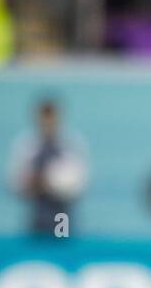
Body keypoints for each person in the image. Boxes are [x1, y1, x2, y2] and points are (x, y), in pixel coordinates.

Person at [7, 98, 89, 236]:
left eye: (51, 118)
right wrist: (29, 184)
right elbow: (14, 182)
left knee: (62, 249)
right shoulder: (27, 145)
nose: (47, 124)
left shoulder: (71, 144)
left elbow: (77, 185)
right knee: (36, 255)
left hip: (63, 219)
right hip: (35, 220)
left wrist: (48, 182)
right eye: (44, 119)